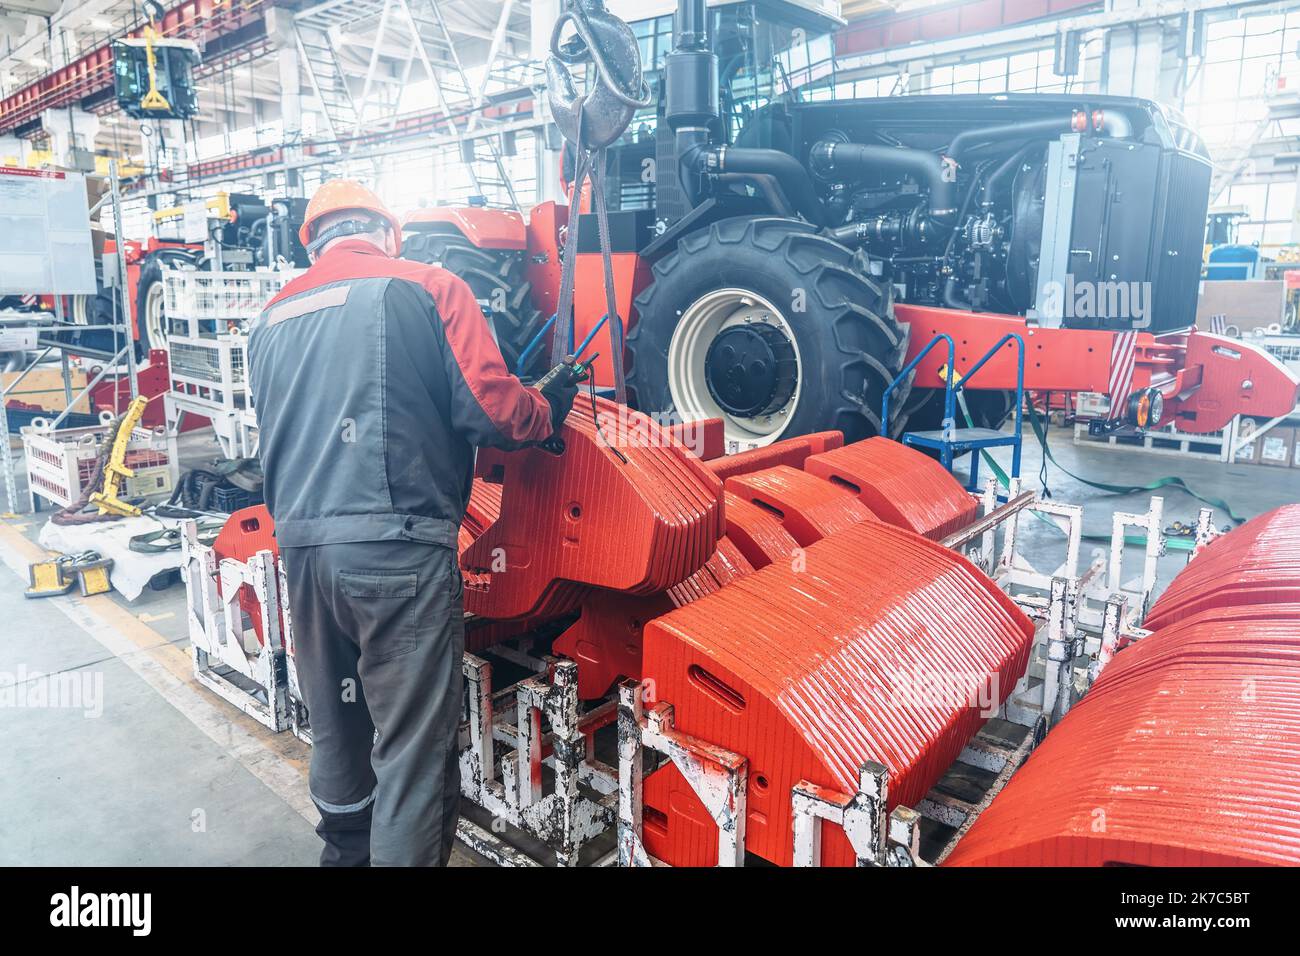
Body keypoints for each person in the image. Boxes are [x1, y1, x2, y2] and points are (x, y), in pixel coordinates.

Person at [248, 180, 577, 866]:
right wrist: (546, 410)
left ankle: (344, 852)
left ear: (312, 245)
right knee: (411, 753)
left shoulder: (271, 316)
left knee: (338, 728)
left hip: (304, 555)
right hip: (395, 554)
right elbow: (492, 414)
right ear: (388, 233)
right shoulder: (429, 285)